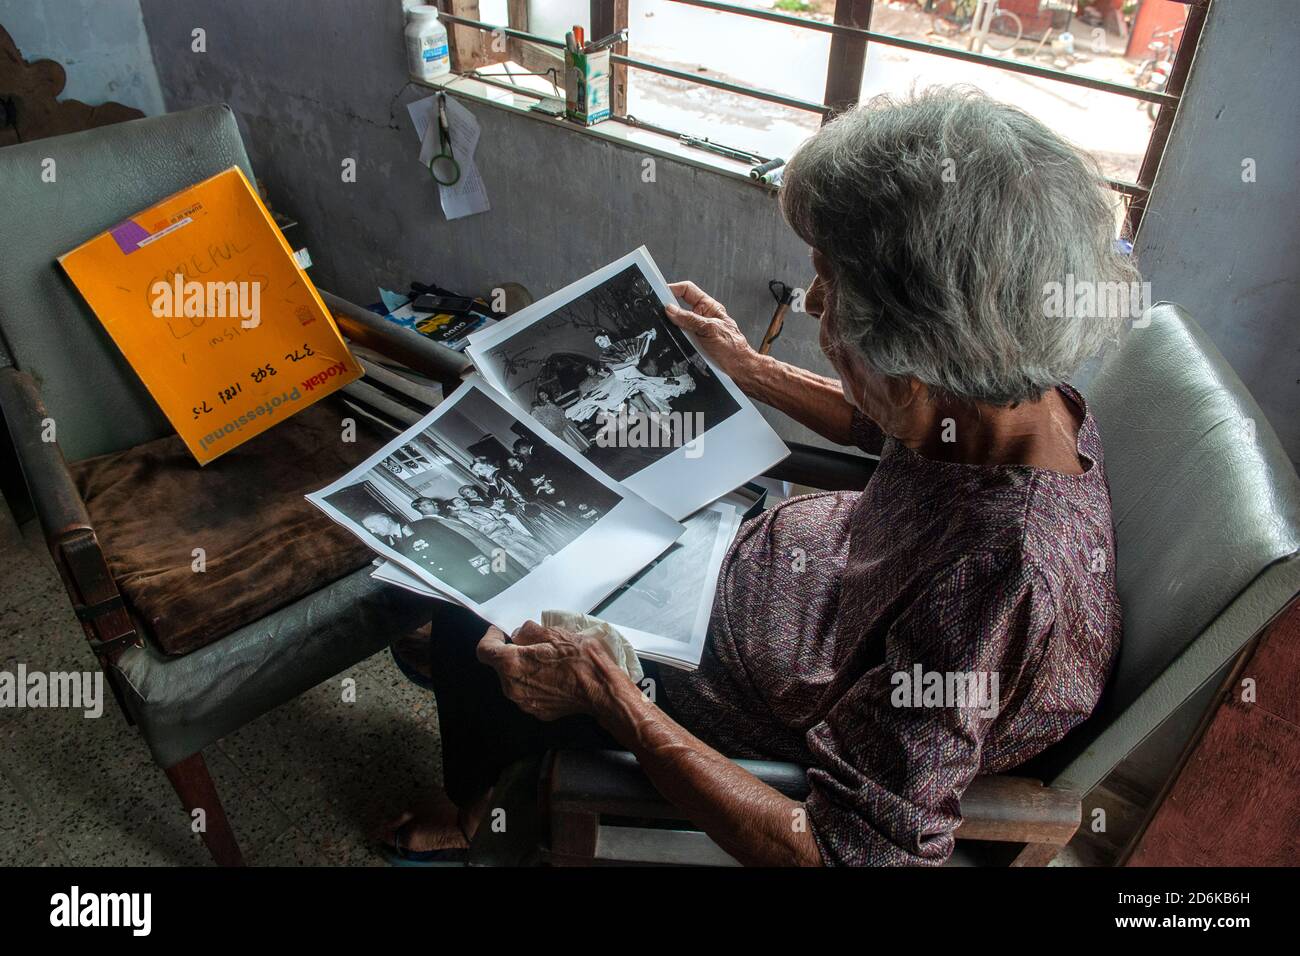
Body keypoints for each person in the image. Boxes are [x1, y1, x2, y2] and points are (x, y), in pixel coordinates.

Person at [383, 87, 1130, 866]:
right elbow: (890, 428)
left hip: (726, 691)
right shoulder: (1018, 396)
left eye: (827, 286)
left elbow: (848, 854)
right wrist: (748, 367)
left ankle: (473, 806)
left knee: (483, 590)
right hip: (769, 575)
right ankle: (473, 678)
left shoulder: (990, 588)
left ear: (916, 366)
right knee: (522, 478)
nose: (810, 303)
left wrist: (611, 701)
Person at [361, 509, 523, 603]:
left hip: (469, 572)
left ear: (385, 521)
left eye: (373, 527)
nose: (373, 531)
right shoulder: (392, 547)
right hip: (449, 583)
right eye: (370, 530)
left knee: (500, 594)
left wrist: (479, 564)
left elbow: (459, 542)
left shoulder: (423, 526)